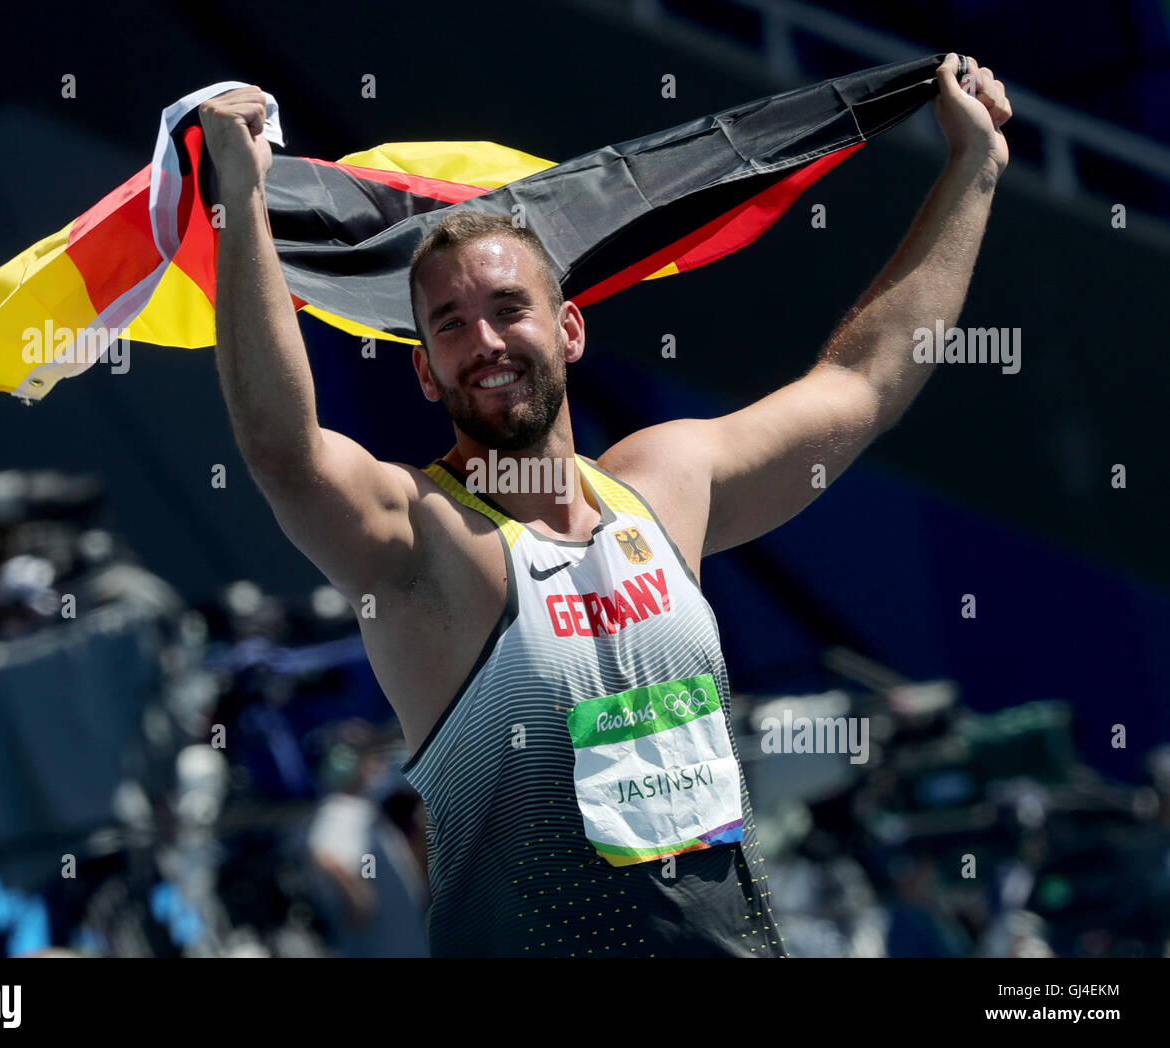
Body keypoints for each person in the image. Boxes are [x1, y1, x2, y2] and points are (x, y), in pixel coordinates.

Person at [198, 52, 1012, 957]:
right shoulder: (427, 538)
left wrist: (973, 170)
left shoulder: (666, 484)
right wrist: (241, 203)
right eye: (452, 325)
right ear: (423, 372)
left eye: (510, 308)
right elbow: (285, 453)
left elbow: (862, 383)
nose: (487, 341)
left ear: (570, 329)